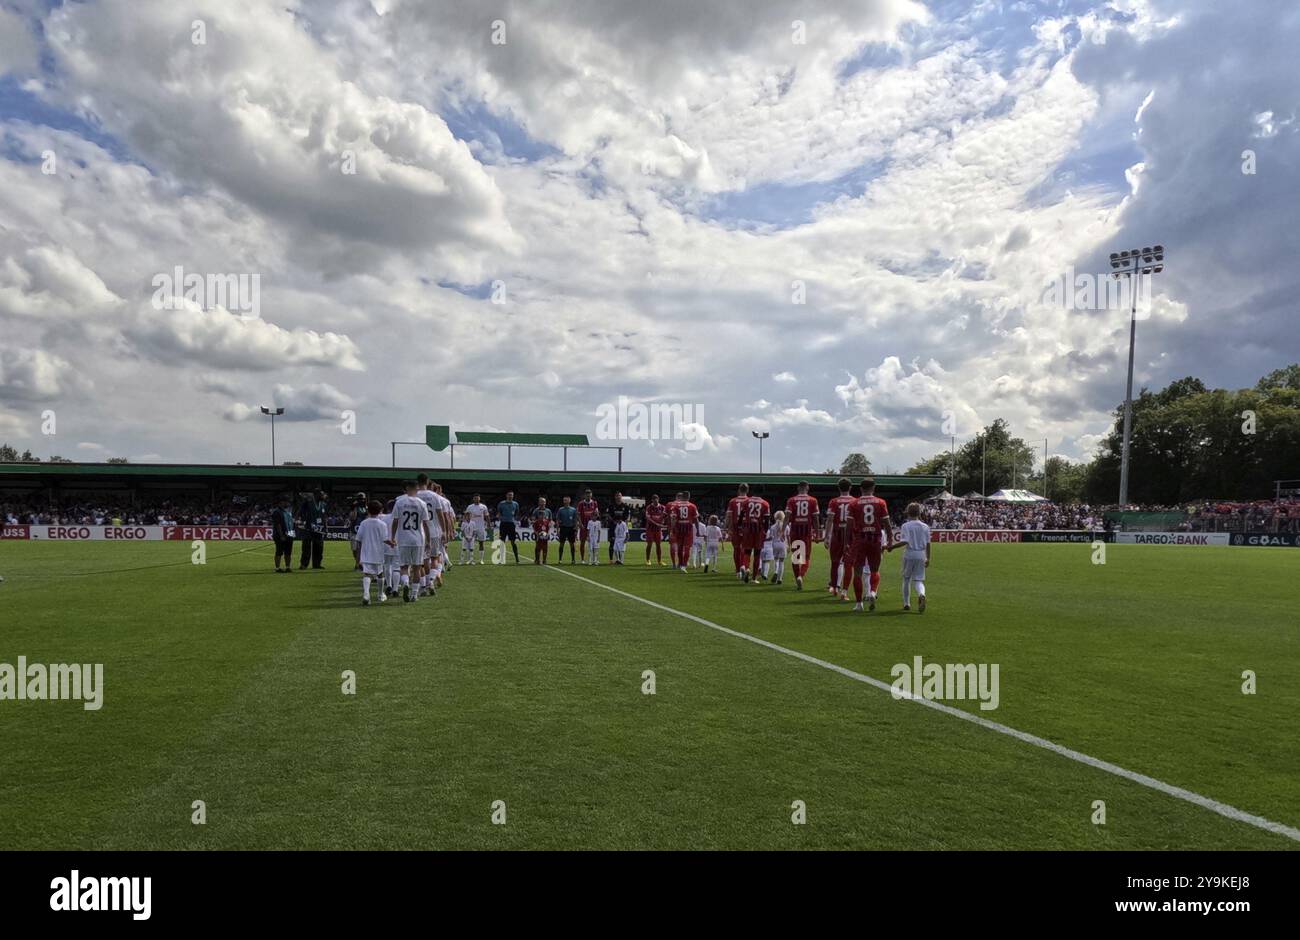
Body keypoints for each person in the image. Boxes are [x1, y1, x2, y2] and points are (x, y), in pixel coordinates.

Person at [390, 480, 431, 602]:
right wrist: (428, 541)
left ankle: (406, 583)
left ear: (407, 488)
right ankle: (414, 594)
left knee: (403, 567)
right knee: (417, 568)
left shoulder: (399, 502)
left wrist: (392, 537)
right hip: (418, 539)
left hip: (403, 538)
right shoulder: (422, 503)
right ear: (417, 489)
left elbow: (395, 521)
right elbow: (425, 524)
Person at [890, 502, 931, 612]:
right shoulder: (925, 526)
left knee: (906, 579)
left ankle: (906, 603)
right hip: (921, 554)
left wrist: (892, 547)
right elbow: (928, 544)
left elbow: (905, 541)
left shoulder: (906, 525)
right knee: (918, 580)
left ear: (908, 513)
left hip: (909, 553)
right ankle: (921, 594)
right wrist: (928, 558)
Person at [785, 481, 819, 590]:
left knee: (796, 557)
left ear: (798, 488)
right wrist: (817, 532)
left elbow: (787, 516)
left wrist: (782, 530)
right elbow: (815, 518)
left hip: (795, 530)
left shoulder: (791, 500)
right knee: (807, 556)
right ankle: (801, 575)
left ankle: (797, 578)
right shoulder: (813, 500)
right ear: (807, 488)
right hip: (806, 530)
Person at [823, 478, 855, 597]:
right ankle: (845, 591)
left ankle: (834, 588)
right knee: (848, 564)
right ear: (850, 487)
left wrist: (826, 537)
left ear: (839, 488)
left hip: (837, 535)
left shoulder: (834, 501)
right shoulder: (855, 501)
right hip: (850, 536)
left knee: (835, 563)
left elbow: (830, 519)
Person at [356, 500, 390, 606]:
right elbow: (385, 539)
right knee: (380, 574)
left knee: (367, 574)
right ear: (380, 511)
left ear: (368, 511)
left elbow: (359, 539)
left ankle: (366, 594)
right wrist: (392, 543)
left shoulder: (363, 523)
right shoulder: (382, 524)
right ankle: (380, 594)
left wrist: (358, 557)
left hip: (366, 553)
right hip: (378, 553)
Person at [741, 489, 771, 584]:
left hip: (748, 529)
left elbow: (741, 515)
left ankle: (746, 568)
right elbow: (767, 520)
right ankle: (754, 578)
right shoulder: (765, 503)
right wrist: (765, 531)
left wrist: (739, 526)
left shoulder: (746, 502)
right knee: (757, 554)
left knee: (747, 551)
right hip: (759, 530)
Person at [669, 490, 699, 572]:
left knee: (680, 547)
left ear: (682, 496)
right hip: (688, 528)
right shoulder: (692, 506)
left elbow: (673, 518)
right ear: (688, 496)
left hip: (679, 527)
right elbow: (696, 519)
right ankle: (684, 565)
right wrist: (698, 530)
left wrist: (672, 529)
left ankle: (680, 563)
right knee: (687, 547)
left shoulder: (675, 506)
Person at [298, 489, 327, 569]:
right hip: (308, 528)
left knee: (319, 547)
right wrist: (300, 520)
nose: (323, 496)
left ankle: (317, 564)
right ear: (316, 495)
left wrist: (326, 527)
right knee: (306, 547)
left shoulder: (324, 504)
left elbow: (324, 517)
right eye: (321, 494)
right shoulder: (308, 502)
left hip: (319, 529)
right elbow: (300, 511)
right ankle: (304, 564)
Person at [725, 484, 749, 577]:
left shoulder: (732, 501)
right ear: (747, 490)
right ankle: (743, 565)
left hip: (735, 527)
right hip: (747, 527)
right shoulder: (749, 501)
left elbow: (729, 516)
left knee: (736, 548)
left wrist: (727, 527)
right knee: (745, 548)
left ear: (739, 490)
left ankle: (738, 571)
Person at [271, 494, 296, 573]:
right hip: (280, 535)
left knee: (288, 552)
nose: (288, 504)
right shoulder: (276, 512)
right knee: (279, 551)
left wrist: (292, 532)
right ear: (281, 502)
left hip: (289, 534)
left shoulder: (288, 511)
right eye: (286, 502)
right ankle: (277, 568)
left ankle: (288, 567)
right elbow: (277, 525)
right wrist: (281, 535)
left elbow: (291, 522)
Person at [462, 494, 489, 564]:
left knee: (481, 543)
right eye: (475, 498)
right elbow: (465, 515)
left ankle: (481, 560)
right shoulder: (470, 507)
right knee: (470, 543)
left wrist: (489, 524)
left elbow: (487, 516)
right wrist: (464, 524)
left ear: (479, 498)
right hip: (471, 527)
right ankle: (470, 559)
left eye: (477, 498)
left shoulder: (483, 506)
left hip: (481, 527)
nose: (476, 499)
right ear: (473, 499)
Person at [642, 494, 668, 566]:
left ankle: (659, 561)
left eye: (656, 499)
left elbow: (667, 516)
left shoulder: (663, 507)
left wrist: (664, 521)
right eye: (654, 499)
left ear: (658, 499)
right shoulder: (649, 507)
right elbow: (648, 518)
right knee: (649, 544)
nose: (655, 500)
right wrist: (657, 524)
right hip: (650, 529)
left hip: (658, 529)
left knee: (658, 545)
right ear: (652, 500)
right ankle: (648, 560)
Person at [497, 490, 521, 564]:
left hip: (511, 524)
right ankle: (501, 559)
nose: (510, 496)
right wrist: (501, 518)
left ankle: (517, 559)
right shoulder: (501, 503)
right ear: (506, 495)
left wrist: (514, 520)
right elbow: (499, 513)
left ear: (513, 496)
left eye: (512, 495)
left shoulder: (516, 504)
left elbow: (517, 513)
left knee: (513, 542)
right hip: (503, 524)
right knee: (502, 542)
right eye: (509, 495)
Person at [576, 489, 600, 563]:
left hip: (592, 526)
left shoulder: (594, 503)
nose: (588, 495)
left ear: (591, 495)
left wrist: (597, 513)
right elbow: (578, 514)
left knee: (593, 543)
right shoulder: (581, 503)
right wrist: (580, 523)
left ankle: (593, 559)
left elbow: (597, 514)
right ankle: (582, 559)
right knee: (582, 542)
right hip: (584, 526)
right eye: (587, 494)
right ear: (584, 495)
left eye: (589, 494)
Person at [554, 495, 579, 564]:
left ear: (569, 501)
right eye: (564, 500)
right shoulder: (560, 510)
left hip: (571, 528)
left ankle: (573, 559)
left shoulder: (573, 510)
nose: (565, 501)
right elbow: (557, 520)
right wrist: (557, 530)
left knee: (572, 544)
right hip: (563, 528)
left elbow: (575, 520)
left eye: (566, 500)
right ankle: (560, 559)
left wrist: (576, 530)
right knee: (561, 544)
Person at [768, 510, 788, 585]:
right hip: (783, 544)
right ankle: (779, 578)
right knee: (781, 562)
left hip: (775, 544)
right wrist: (788, 545)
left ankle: (775, 572)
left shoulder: (773, 527)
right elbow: (787, 537)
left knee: (776, 560)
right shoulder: (786, 526)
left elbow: (771, 536)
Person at [607, 492, 628, 563]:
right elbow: (609, 515)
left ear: (621, 496)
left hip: (621, 527)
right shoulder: (611, 506)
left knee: (620, 544)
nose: (618, 497)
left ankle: (619, 560)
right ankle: (611, 560)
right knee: (612, 542)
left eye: (619, 495)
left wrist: (622, 522)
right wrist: (614, 521)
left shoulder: (625, 506)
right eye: (617, 495)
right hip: (613, 526)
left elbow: (627, 516)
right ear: (615, 497)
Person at [532, 497, 553, 565]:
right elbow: (533, 521)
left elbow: (550, 521)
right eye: (541, 502)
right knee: (537, 546)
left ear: (545, 502)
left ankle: (544, 560)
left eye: (544, 502)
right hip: (538, 532)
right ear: (539, 502)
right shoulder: (536, 510)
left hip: (545, 532)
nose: (542, 503)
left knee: (545, 547)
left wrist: (549, 528)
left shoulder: (548, 511)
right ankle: (537, 559)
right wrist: (537, 531)